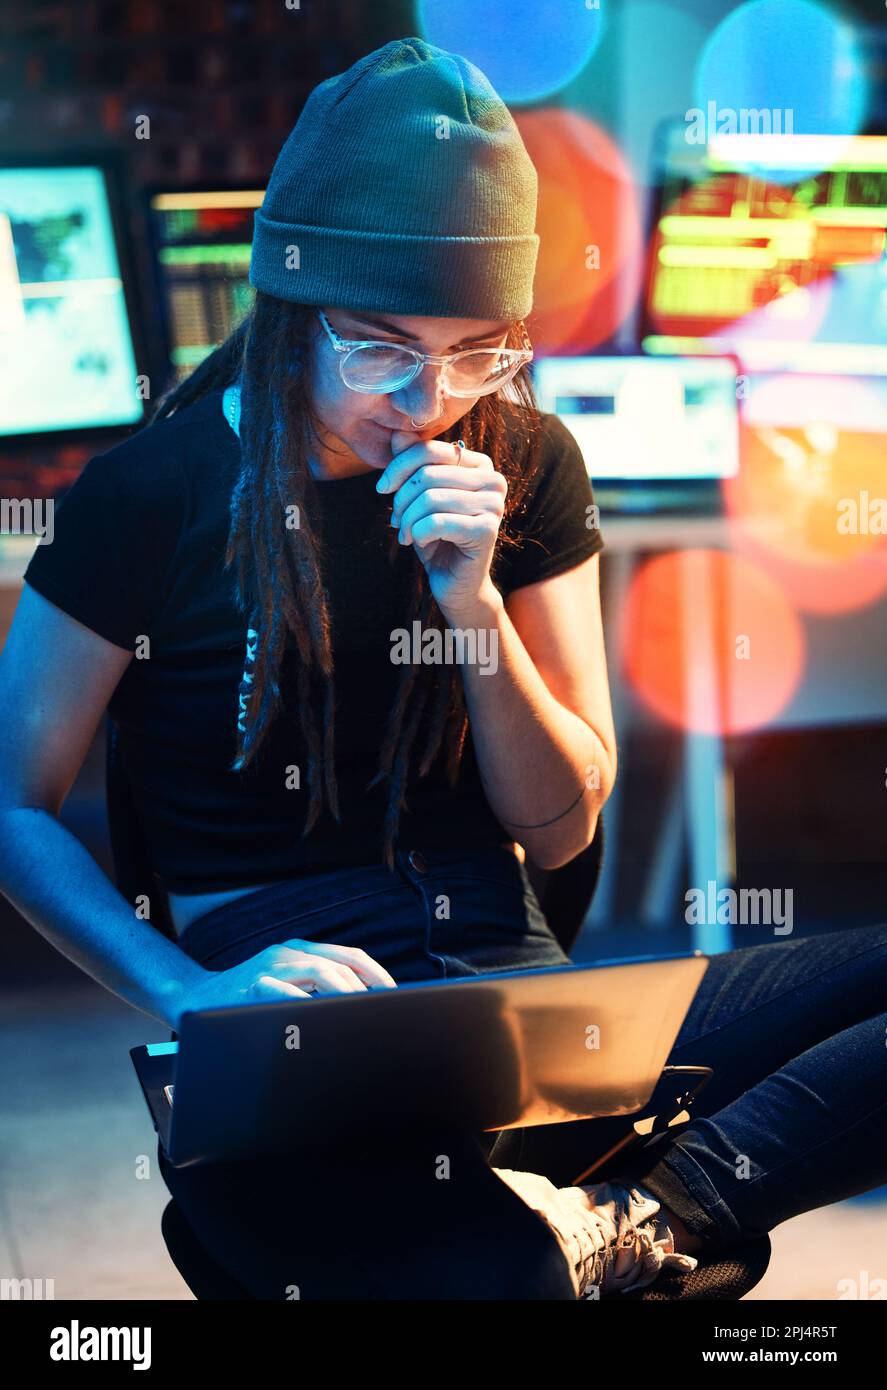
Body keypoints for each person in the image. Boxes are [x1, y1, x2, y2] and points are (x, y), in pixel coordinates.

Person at [1, 36, 885, 1301]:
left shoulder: (524, 462)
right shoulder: (152, 496)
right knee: (501, 1281)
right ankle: (573, 1238)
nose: (424, 398)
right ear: (290, 308)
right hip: (289, 1020)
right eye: (379, 346)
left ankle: (654, 1209)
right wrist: (190, 991)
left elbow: (563, 817)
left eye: (475, 351)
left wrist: (471, 604)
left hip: (517, 1010)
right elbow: (12, 804)